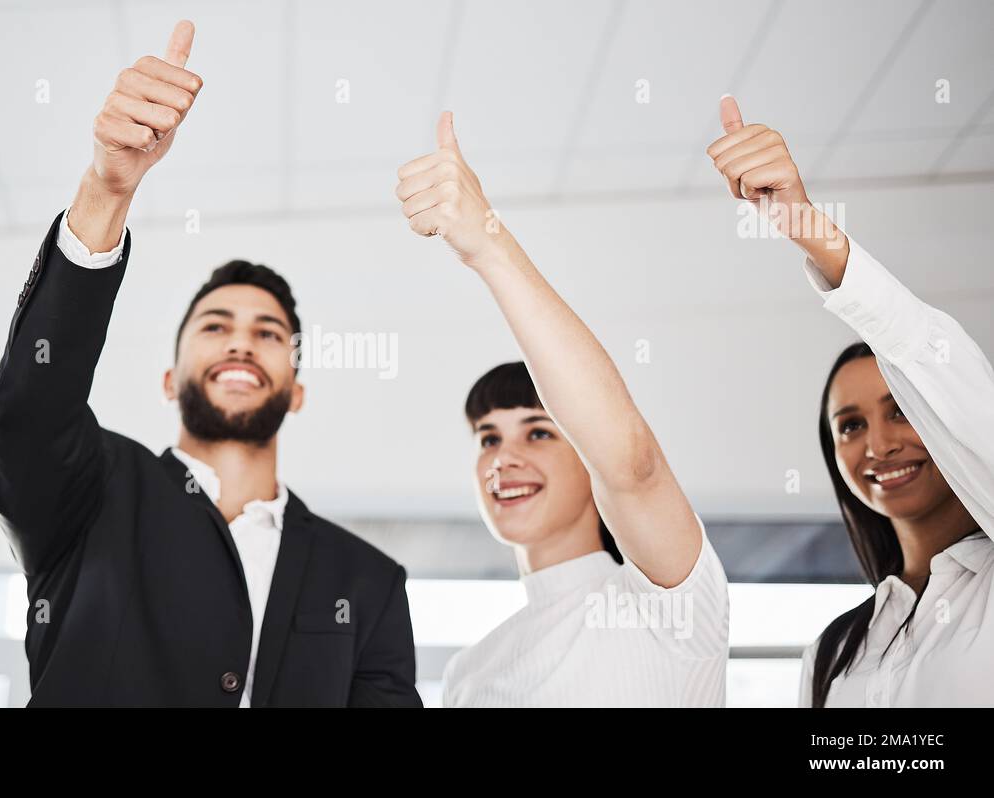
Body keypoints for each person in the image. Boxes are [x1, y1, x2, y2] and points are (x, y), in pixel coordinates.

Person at [0, 20, 420, 707]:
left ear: (297, 391)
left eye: (268, 333)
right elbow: (27, 415)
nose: (241, 343)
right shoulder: (90, 496)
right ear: (169, 379)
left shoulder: (367, 580)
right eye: (216, 327)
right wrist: (107, 188)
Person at [396, 113, 729, 707]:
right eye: (488, 438)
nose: (505, 458)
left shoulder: (664, 601)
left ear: (586, 453)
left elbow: (633, 465)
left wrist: (487, 246)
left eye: (539, 434)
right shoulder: (470, 672)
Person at [705, 96, 994, 707]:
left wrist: (809, 230)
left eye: (901, 410)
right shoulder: (836, 650)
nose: (878, 444)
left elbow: (934, 359)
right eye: (850, 425)